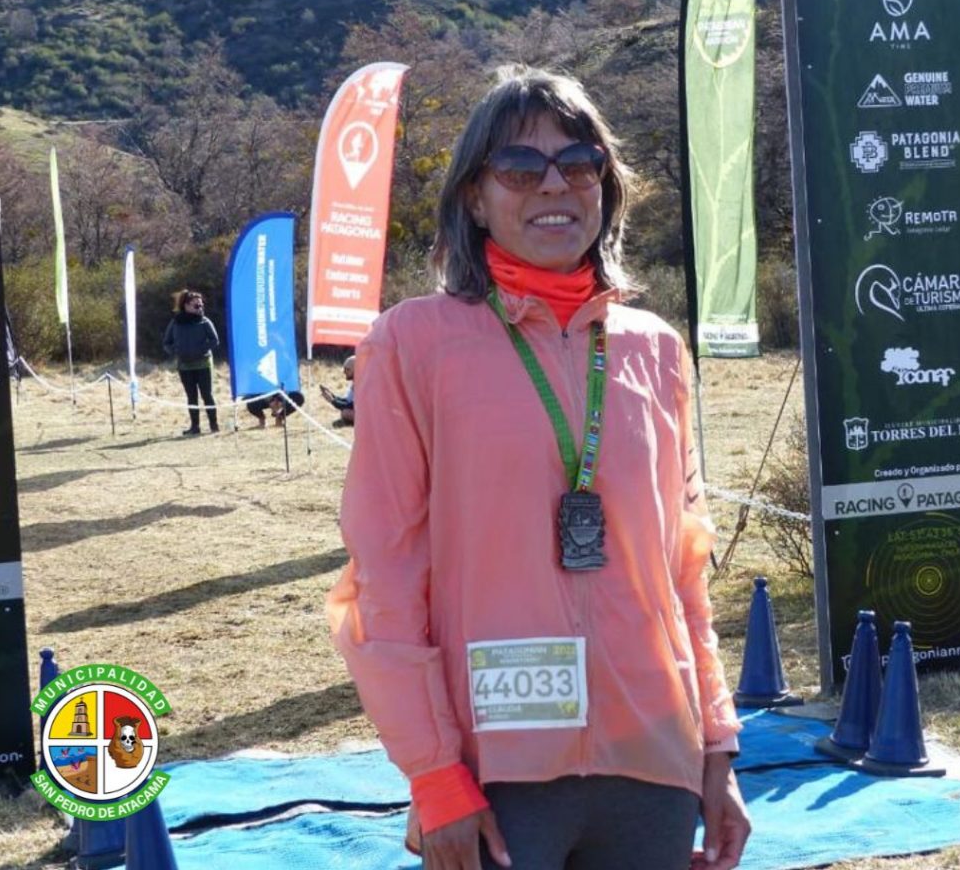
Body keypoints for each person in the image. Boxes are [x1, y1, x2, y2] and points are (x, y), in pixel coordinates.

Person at [326, 66, 750, 870]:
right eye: (520, 168)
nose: (554, 184)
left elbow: (684, 576)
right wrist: (434, 774)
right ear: (475, 199)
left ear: (605, 187)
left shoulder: (655, 350)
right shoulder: (410, 344)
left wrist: (717, 751)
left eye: (580, 163)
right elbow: (383, 578)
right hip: (495, 774)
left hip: (650, 759)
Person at [163, 289, 220, 436]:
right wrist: (176, 352)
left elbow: (215, 340)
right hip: (184, 365)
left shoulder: (205, 321)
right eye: (196, 306)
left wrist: (201, 350)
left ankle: (214, 425)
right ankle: (195, 427)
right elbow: (166, 343)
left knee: (207, 395)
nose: (200, 308)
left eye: (201, 305)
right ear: (186, 306)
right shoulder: (175, 323)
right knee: (191, 397)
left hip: (203, 363)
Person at [319, 354, 356, 427]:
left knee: (346, 413)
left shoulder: (362, 385)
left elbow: (350, 406)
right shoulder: (354, 382)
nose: (344, 372)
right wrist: (332, 395)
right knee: (344, 412)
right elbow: (347, 401)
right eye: (344, 369)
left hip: (367, 416)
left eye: (348, 369)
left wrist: (332, 400)